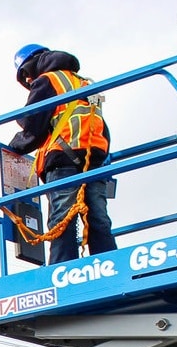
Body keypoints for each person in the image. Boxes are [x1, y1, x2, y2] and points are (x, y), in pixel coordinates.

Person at [8, 44, 117, 264]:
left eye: (26, 74)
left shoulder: (47, 81)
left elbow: (33, 124)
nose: (28, 81)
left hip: (62, 160)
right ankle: (109, 265)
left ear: (35, 62)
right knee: (99, 218)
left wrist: (15, 146)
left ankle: (62, 270)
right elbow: (101, 123)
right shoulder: (87, 83)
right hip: (93, 159)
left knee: (62, 218)